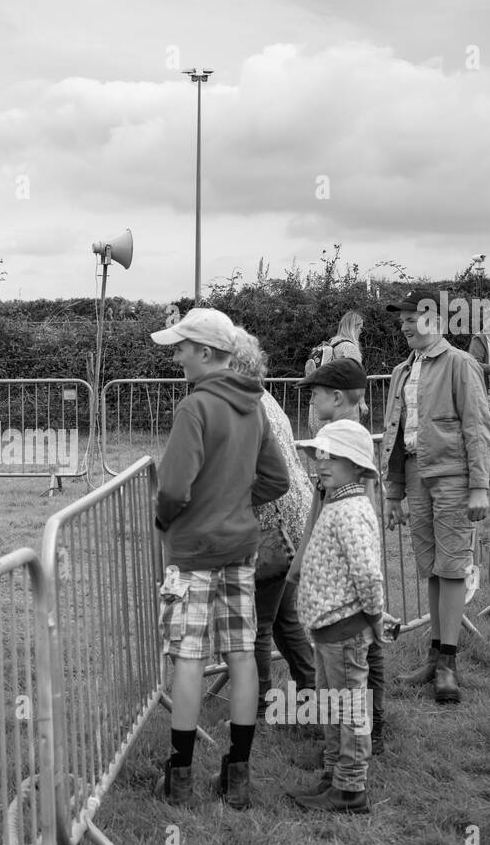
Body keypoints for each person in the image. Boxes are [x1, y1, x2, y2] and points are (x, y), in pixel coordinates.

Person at [150, 308, 289, 810]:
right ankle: (238, 775)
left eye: (181, 347)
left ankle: (180, 774)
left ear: (206, 353)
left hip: (192, 552)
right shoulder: (253, 405)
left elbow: (172, 487)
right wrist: (235, 501)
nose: (177, 355)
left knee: (188, 656)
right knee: (241, 651)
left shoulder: (195, 408)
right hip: (240, 549)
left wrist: (167, 519)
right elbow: (278, 480)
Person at [381, 288, 490, 705]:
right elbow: (394, 434)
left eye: (415, 318)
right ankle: (434, 656)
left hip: (452, 478)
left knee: (451, 567)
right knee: (430, 567)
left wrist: (479, 486)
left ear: (438, 321)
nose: (407, 325)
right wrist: (394, 492)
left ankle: (448, 663)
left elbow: (478, 428)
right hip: (414, 475)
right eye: (403, 320)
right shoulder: (402, 371)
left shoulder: (461, 364)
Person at [289, 419, 385, 814]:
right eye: (320, 455)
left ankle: (350, 787)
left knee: (347, 707)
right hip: (327, 631)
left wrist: (376, 617)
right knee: (331, 704)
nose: (322, 464)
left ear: (358, 465)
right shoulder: (335, 502)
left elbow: (367, 573)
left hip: (344, 631)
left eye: (334, 457)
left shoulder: (352, 511)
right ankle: (333, 772)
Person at [294, 357, 389, 755]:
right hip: (338, 600)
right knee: (348, 674)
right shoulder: (341, 446)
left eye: (315, 394)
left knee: (362, 665)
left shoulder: (347, 446)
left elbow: (360, 552)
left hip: (349, 602)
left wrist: (374, 614)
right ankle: (346, 751)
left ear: (336, 396)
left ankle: (361, 746)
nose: (312, 401)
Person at [227, 332, 317, 721]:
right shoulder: (261, 395)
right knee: (284, 618)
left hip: (272, 524)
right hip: (293, 517)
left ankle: (259, 706)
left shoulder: (243, 405)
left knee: (258, 624)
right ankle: (312, 695)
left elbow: (251, 470)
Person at [305, 310, 365, 436]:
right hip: (338, 406)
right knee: (342, 446)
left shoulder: (332, 343)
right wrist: (362, 402)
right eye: (360, 328)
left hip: (317, 402)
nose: (361, 331)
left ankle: (322, 457)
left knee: (321, 448)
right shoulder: (350, 348)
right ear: (354, 327)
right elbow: (356, 377)